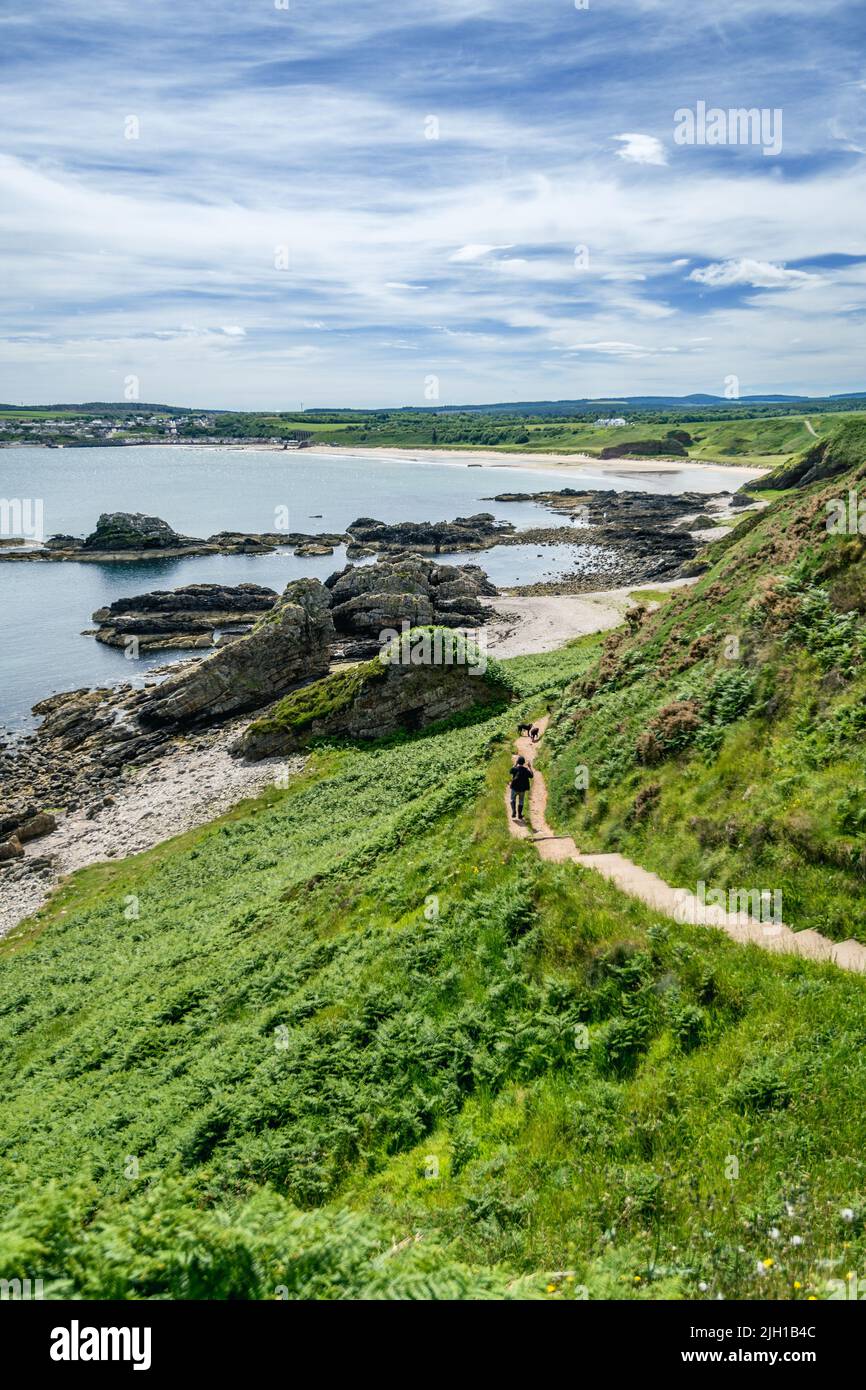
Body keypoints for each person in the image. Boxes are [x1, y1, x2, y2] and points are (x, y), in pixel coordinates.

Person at [509, 755, 533, 821]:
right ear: (523, 762)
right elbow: (531, 776)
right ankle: (520, 815)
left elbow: (510, 771)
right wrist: (530, 767)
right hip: (522, 789)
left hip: (514, 787)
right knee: (521, 801)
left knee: (512, 799)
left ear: (518, 762)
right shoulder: (526, 770)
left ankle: (514, 811)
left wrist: (515, 764)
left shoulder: (515, 769)